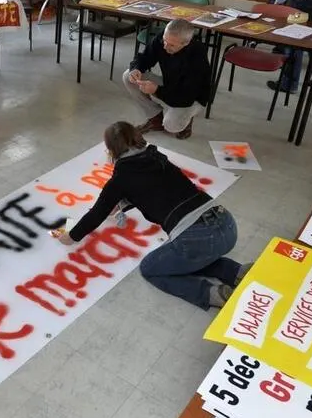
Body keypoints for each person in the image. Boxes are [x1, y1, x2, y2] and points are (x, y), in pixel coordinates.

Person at [51, 122, 242, 309]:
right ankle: (236, 272)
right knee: (190, 255)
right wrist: (123, 203)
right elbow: (156, 186)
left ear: (111, 151)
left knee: (151, 268)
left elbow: (97, 213)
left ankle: (211, 294)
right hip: (226, 223)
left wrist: (71, 236)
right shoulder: (158, 157)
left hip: (197, 238)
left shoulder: (121, 178)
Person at [122, 19, 211, 139]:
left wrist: (156, 90)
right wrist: (136, 69)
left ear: (186, 43)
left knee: (171, 126)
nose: (165, 46)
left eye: (172, 45)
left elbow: (186, 98)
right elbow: (145, 57)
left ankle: (187, 118)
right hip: (170, 84)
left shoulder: (197, 56)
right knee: (128, 76)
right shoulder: (165, 38)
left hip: (192, 97)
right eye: (165, 40)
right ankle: (156, 118)